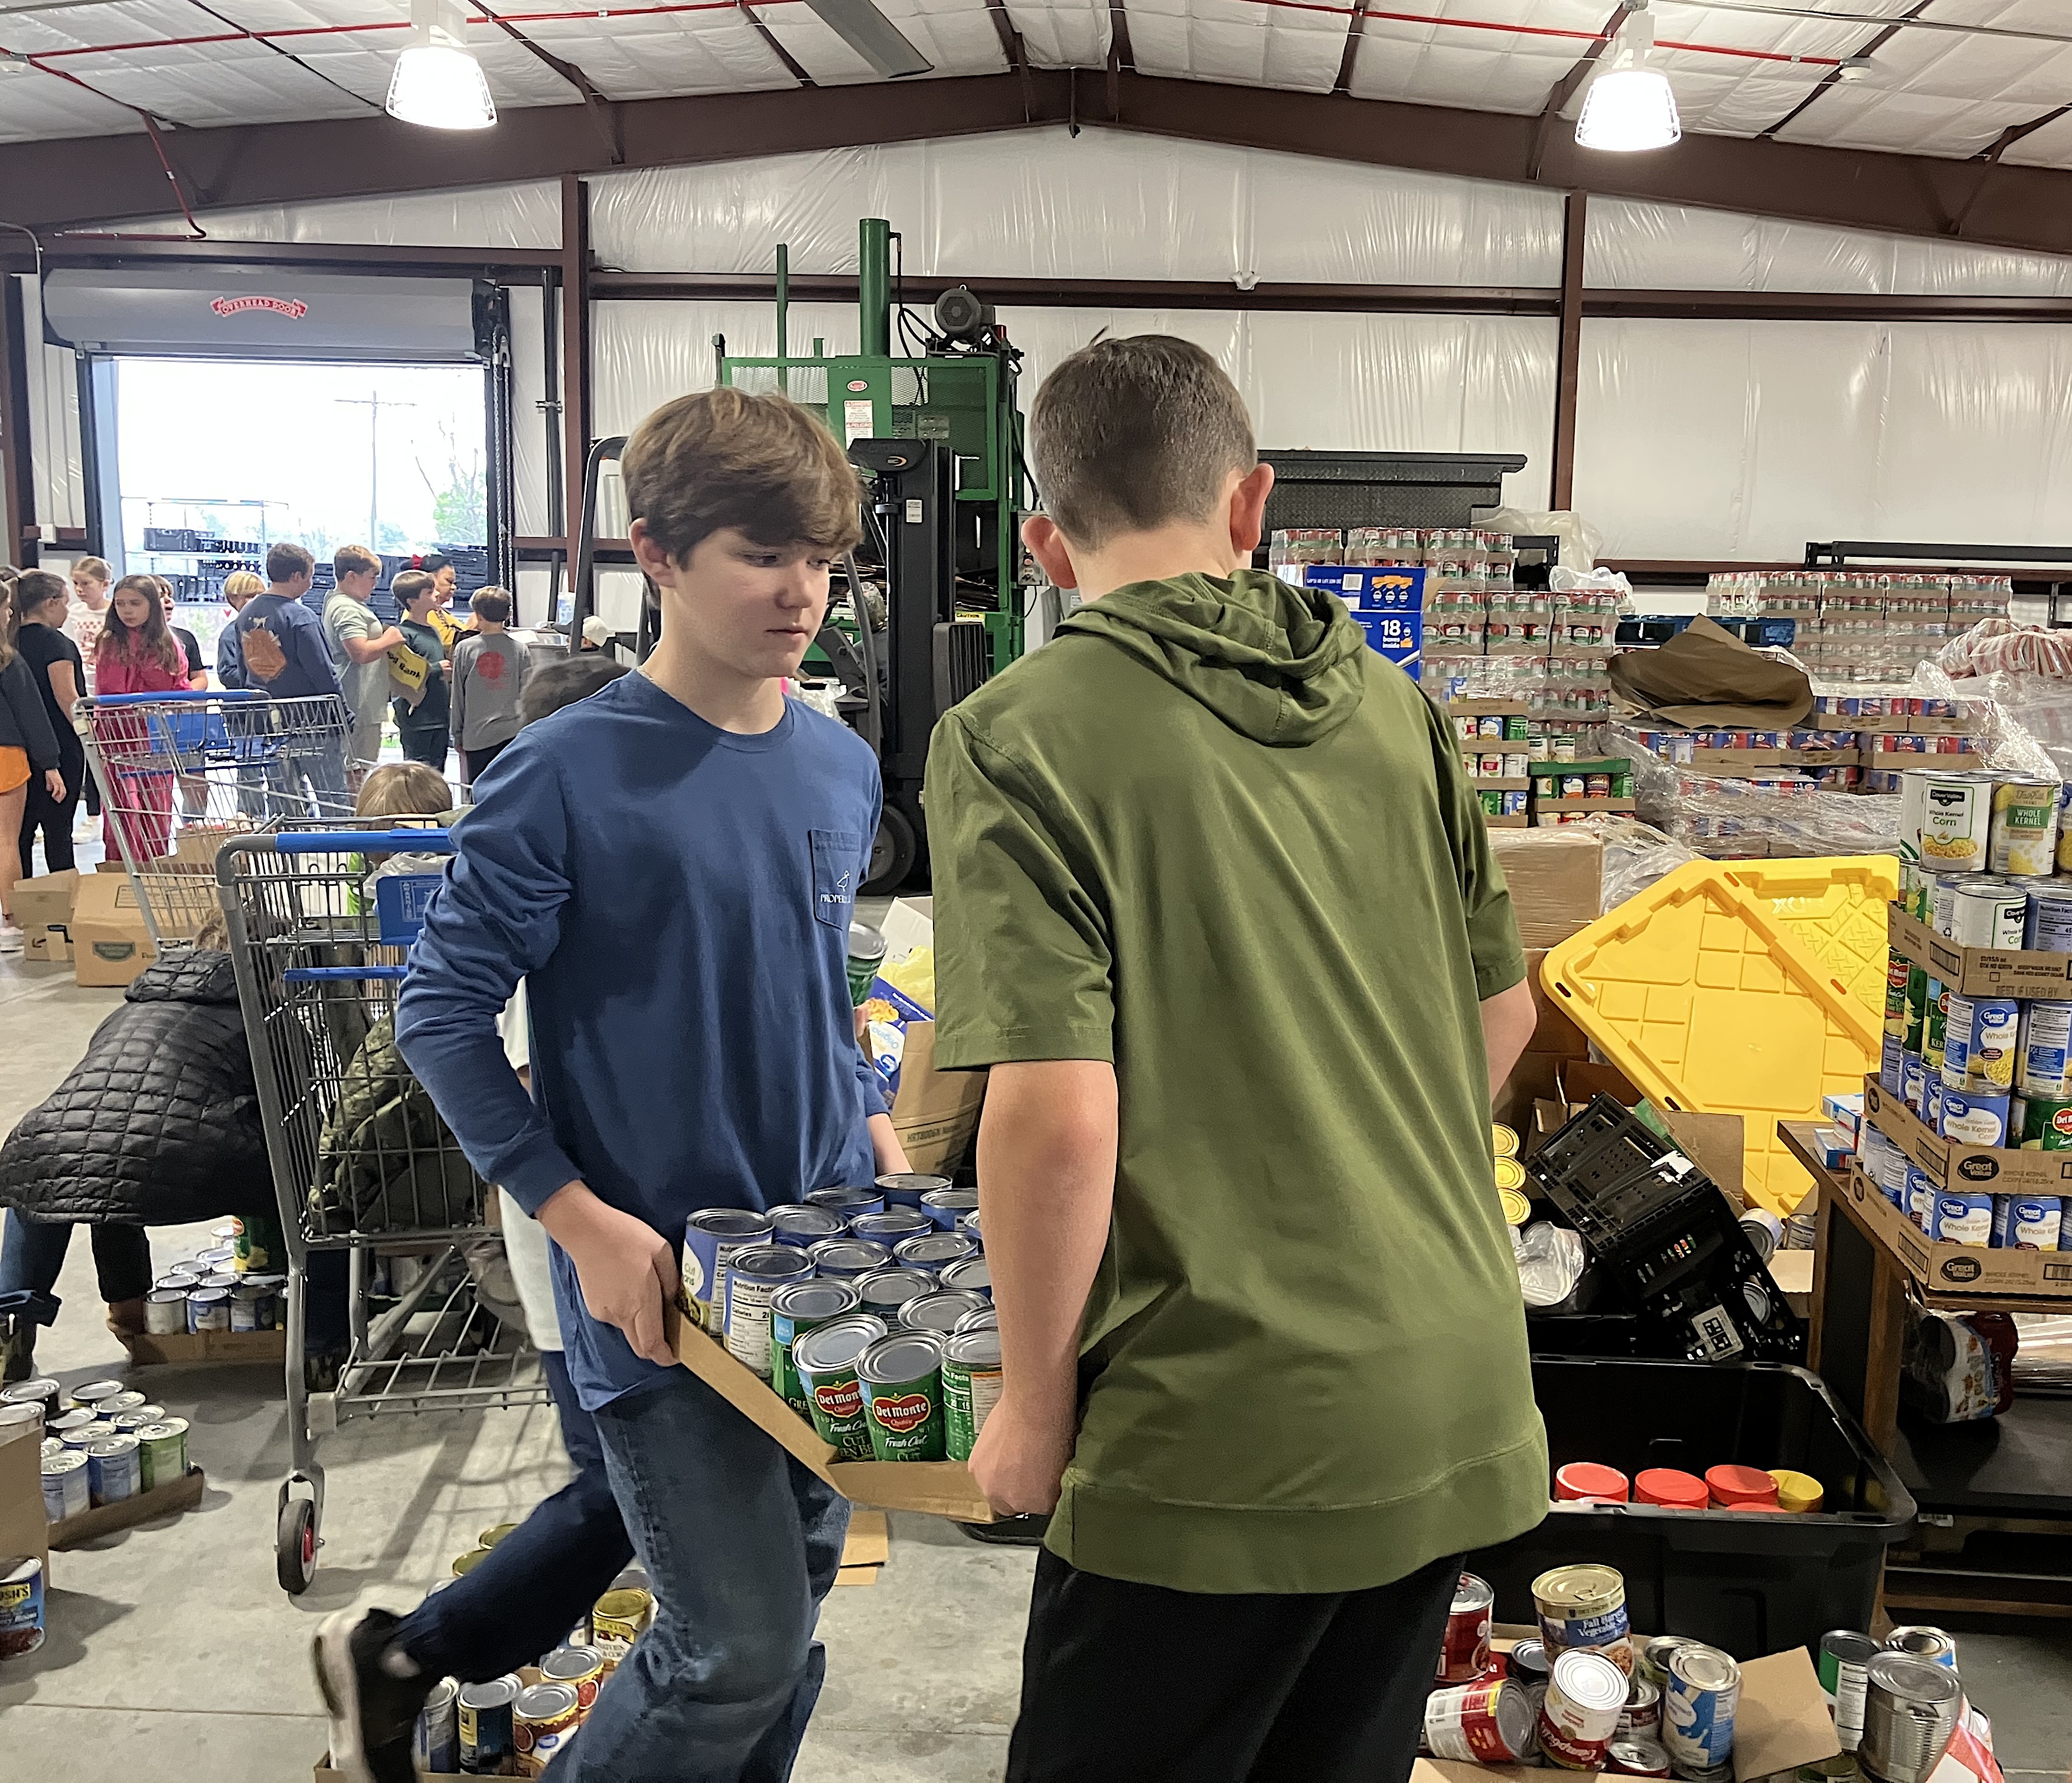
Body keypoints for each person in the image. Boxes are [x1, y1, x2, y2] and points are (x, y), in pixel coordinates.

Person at [925, 335, 1547, 1783]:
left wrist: (1029, 1400)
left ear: (1044, 542)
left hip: (1218, 1431)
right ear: (1252, 504)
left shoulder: (1016, 738)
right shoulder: (1397, 710)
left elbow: (1056, 1120)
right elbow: (1502, 1017)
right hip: (1442, 1381)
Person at [373, 387, 906, 1783]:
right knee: (727, 1645)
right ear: (656, 553)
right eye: (762, 554)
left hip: (824, 1273)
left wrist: (864, 1101)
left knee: (787, 1629)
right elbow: (436, 1013)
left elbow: (803, 968)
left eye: (823, 561)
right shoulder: (560, 774)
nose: (802, 593)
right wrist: (584, 1222)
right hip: (659, 1283)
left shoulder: (839, 767)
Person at [313, 657, 638, 1783]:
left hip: (610, 1252)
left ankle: (404, 1654)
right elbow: (462, 1042)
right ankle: (404, 1653)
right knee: (620, 1493)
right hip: (575, 1258)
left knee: (633, 1496)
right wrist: (588, 1215)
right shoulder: (528, 880)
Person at [0, 910, 276, 1378]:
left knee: (70, 1174)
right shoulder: (258, 1015)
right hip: (187, 1151)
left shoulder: (127, 1007)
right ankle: (305, 1308)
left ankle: (13, 1318)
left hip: (49, 1137)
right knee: (290, 1163)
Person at [93, 575, 190, 866]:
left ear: (153, 605)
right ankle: (121, 870)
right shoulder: (108, 642)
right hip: (115, 735)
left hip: (156, 736)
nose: (127, 610)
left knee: (156, 807)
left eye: (135, 603)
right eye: (121, 603)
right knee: (121, 808)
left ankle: (155, 869)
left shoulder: (169, 643)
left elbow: (180, 689)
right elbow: (105, 689)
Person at [0, 588, 65, 953]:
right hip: (6, 753)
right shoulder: (8, 660)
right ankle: (10, 921)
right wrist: (50, 763)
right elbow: (32, 716)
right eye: (6, 609)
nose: (10, 616)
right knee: (7, 840)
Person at [11, 572, 87, 876]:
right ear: (51, 603)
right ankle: (64, 901)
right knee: (58, 831)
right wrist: (89, 735)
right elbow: (67, 697)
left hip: (19, 745)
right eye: (66, 603)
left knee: (20, 833)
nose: (67, 611)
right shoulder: (56, 643)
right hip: (58, 745)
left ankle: (24, 902)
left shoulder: (9, 641)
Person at [220, 542, 344, 702]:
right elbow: (322, 672)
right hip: (305, 713)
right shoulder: (301, 618)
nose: (310, 584)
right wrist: (345, 713)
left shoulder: (245, 614)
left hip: (260, 709)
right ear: (297, 577)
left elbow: (243, 668)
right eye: (309, 577)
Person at [323, 546, 406, 781]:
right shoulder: (346, 608)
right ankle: (356, 817)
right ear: (351, 577)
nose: (374, 584)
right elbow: (359, 653)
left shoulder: (344, 603)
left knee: (359, 768)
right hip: (358, 701)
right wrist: (389, 639)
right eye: (371, 578)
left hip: (363, 700)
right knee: (356, 770)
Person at [448, 587, 526, 785]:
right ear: (508, 615)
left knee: (479, 791)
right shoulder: (520, 650)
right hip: (513, 734)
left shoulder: (465, 649)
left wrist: (457, 733)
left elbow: (458, 695)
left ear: (478, 615)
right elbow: (527, 694)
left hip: (476, 736)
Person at [387, 571, 451, 770]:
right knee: (417, 773)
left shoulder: (433, 631)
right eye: (429, 592)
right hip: (417, 718)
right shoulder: (402, 634)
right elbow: (400, 675)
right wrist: (436, 669)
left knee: (438, 771)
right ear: (412, 600)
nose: (436, 595)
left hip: (439, 715)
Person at [64, 556, 112, 697]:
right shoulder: (74, 612)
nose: (79, 589)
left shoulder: (114, 612)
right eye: (76, 583)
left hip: (106, 674)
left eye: (86, 584)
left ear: (104, 585)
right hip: (83, 675)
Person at [216, 568, 265, 688]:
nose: (257, 599)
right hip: (243, 703)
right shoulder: (231, 634)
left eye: (261, 595)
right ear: (233, 599)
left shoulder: (269, 628)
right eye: (251, 595)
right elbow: (227, 674)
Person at [156, 580, 209, 692]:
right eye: (161, 596)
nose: (168, 600)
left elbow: (200, 677)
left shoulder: (185, 638)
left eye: (170, 595)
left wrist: (181, 697)